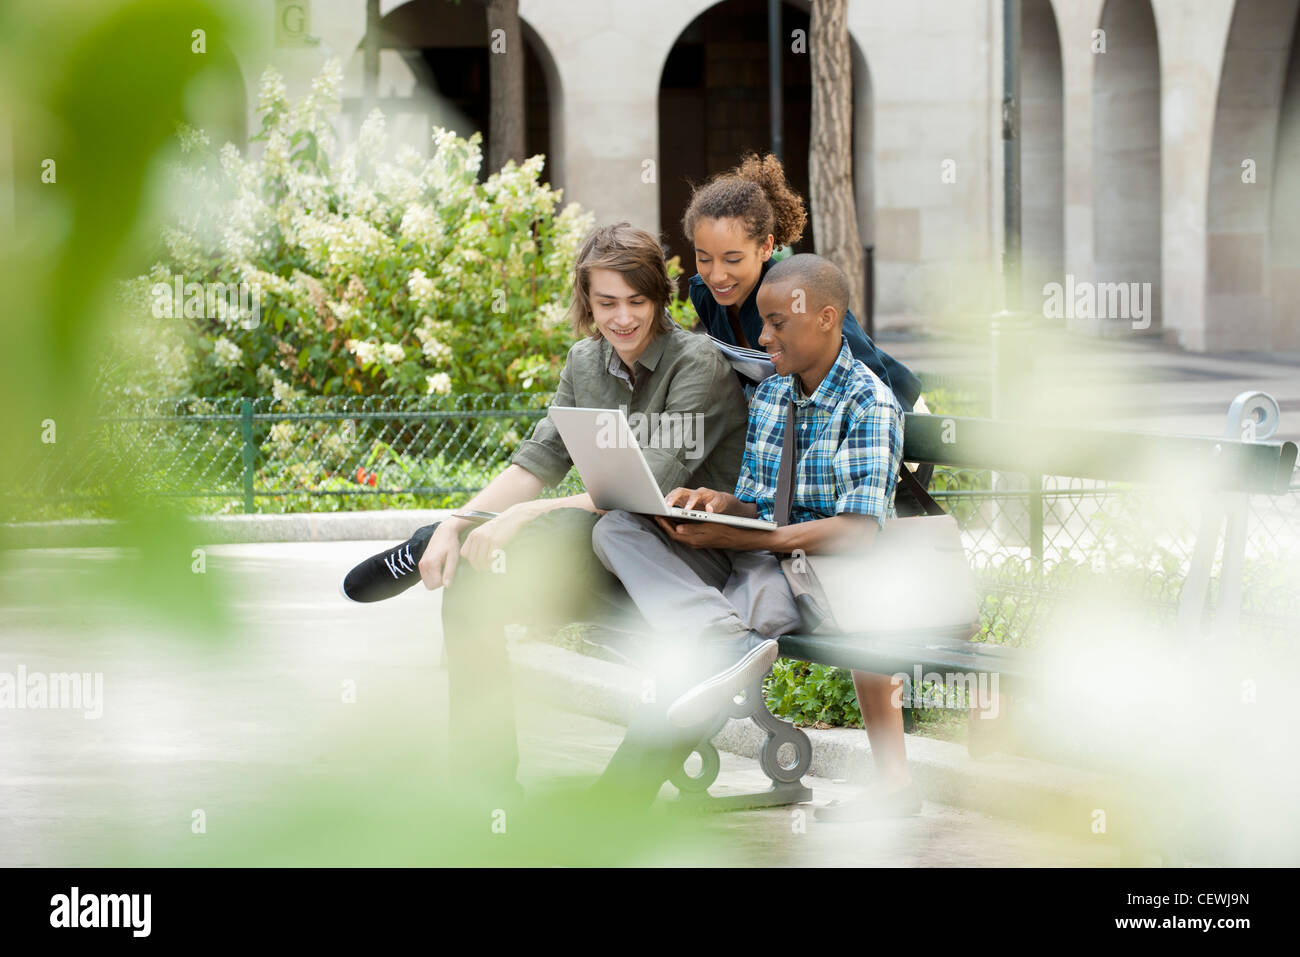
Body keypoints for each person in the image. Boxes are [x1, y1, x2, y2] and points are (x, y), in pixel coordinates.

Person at [339, 222, 755, 802]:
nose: (623, 318)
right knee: (474, 583)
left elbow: (643, 488)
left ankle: (422, 542)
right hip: (602, 550)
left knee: (572, 522)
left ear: (661, 298)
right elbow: (536, 462)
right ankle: (481, 791)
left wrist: (524, 518)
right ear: (587, 300)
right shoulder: (586, 362)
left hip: (680, 566)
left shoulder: (697, 366)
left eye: (637, 301)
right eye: (606, 302)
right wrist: (462, 522)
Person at [590, 253, 922, 820]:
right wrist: (718, 507)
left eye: (777, 323)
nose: (762, 337)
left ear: (825, 317)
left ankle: (617, 800)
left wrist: (747, 540)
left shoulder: (868, 402)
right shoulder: (772, 395)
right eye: (763, 322)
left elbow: (859, 532)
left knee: (700, 662)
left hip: (809, 571)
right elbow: (756, 502)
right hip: (753, 555)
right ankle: (719, 635)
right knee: (617, 527)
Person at [683, 152, 924, 413]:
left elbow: (872, 378)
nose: (716, 276)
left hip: (886, 411)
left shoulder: (800, 294)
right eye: (704, 258)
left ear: (766, 248)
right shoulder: (704, 294)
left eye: (733, 260)